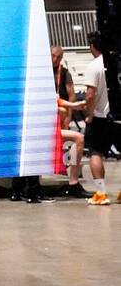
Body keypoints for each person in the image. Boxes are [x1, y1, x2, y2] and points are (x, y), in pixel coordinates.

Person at [82, 31, 121, 205]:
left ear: (92, 46)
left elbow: (90, 95)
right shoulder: (116, 63)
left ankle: (101, 193)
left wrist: (89, 116)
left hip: (100, 117)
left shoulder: (94, 66)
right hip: (118, 116)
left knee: (95, 153)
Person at [51, 45, 88, 198]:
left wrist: (69, 114)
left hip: (61, 115)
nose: (55, 60)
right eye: (53, 56)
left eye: (59, 57)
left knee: (74, 140)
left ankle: (72, 179)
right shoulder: (41, 71)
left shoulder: (65, 73)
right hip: (50, 116)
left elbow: (70, 94)